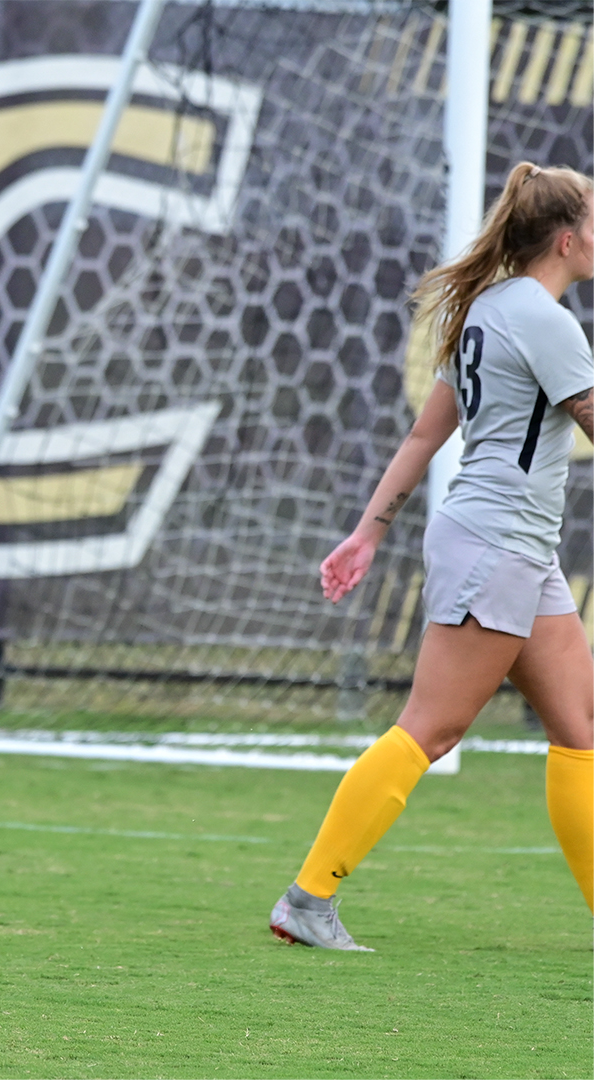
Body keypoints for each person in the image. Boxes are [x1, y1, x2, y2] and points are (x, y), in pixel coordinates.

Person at [270, 162, 594, 951]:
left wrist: (368, 531)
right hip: (496, 545)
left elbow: (425, 436)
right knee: (432, 730)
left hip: (513, 546)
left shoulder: (490, 310)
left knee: (582, 729)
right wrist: (367, 531)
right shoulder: (546, 321)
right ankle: (307, 900)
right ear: (566, 237)